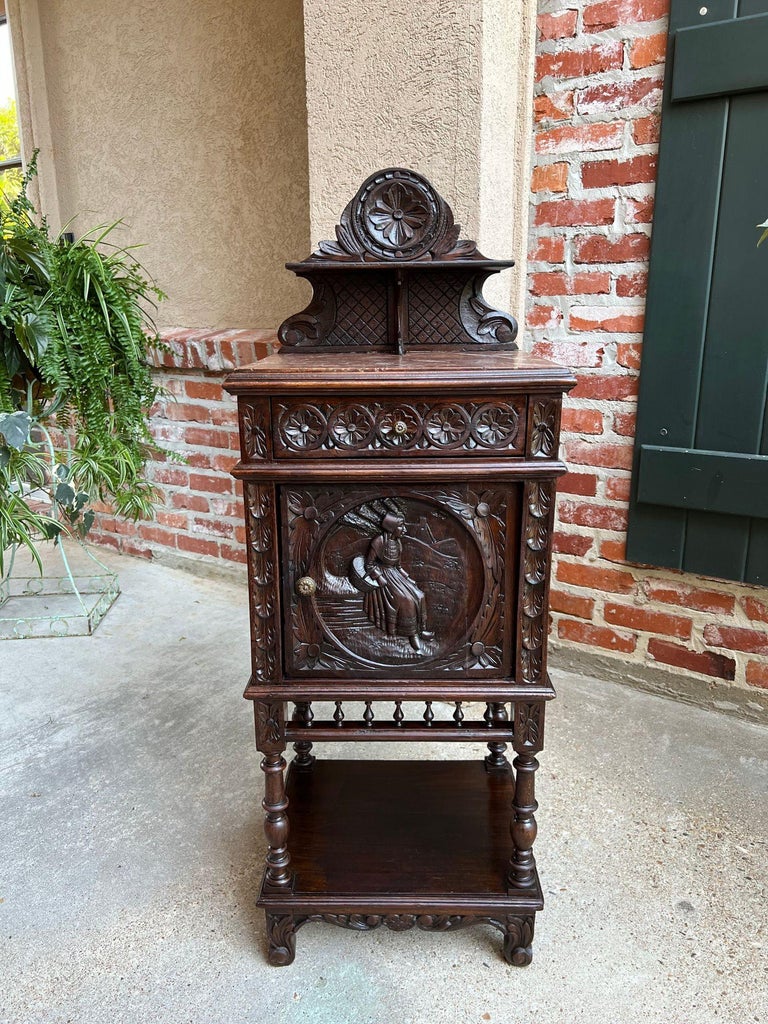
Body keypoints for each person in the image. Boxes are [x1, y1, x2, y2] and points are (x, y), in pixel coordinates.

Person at [360, 512, 433, 653]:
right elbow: (369, 564)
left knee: (419, 595)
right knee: (406, 599)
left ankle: (421, 630)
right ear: (392, 527)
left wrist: (407, 577)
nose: (404, 529)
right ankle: (412, 635)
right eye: (401, 526)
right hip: (384, 574)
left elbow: (398, 566)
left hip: (395, 573)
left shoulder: (398, 542)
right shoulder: (379, 541)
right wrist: (378, 577)